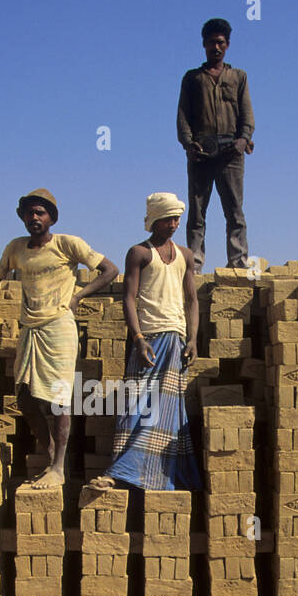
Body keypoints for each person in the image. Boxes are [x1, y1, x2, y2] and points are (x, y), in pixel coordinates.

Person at [0, 188, 118, 489]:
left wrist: (79, 296)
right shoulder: (16, 248)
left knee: (59, 398)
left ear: (51, 218)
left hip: (58, 327)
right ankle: (52, 455)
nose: (34, 217)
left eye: (40, 212)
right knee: (25, 398)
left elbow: (110, 270)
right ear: (22, 217)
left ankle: (58, 468)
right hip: (30, 330)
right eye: (30, 212)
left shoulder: (68, 244)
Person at [88, 193, 201, 492]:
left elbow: (192, 300)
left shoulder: (186, 256)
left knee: (167, 411)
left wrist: (192, 339)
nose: (174, 224)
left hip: (175, 341)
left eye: (177, 218)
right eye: (168, 219)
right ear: (154, 220)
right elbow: (129, 297)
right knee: (136, 406)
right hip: (148, 340)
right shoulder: (139, 253)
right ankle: (121, 473)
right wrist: (137, 338)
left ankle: (157, 477)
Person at [176, 17, 254, 273]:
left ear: (228, 45)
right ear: (204, 45)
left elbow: (247, 116)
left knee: (235, 212)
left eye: (220, 43)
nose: (216, 48)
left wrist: (243, 140)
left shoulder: (238, 77)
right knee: (197, 213)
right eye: (211, 43)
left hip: (232, 153)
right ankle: (194, 264)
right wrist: (189, 145)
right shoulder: (192, 79)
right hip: (201, 153)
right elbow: (183, 116)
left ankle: (239, 264)